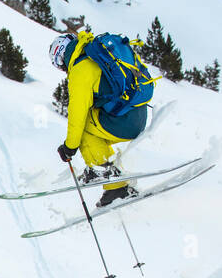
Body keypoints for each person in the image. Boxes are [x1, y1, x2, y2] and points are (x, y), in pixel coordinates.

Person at [49, 30, 155, 207]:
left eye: (60, 67)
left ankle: (112, 182)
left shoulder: (80, 70)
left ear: (61, 58)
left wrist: (69, 147)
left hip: (124, 122)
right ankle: (110, 174)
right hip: (138, 114)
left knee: (83, 131)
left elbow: (77, 116)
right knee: (94, 131)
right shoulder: (99, 53)